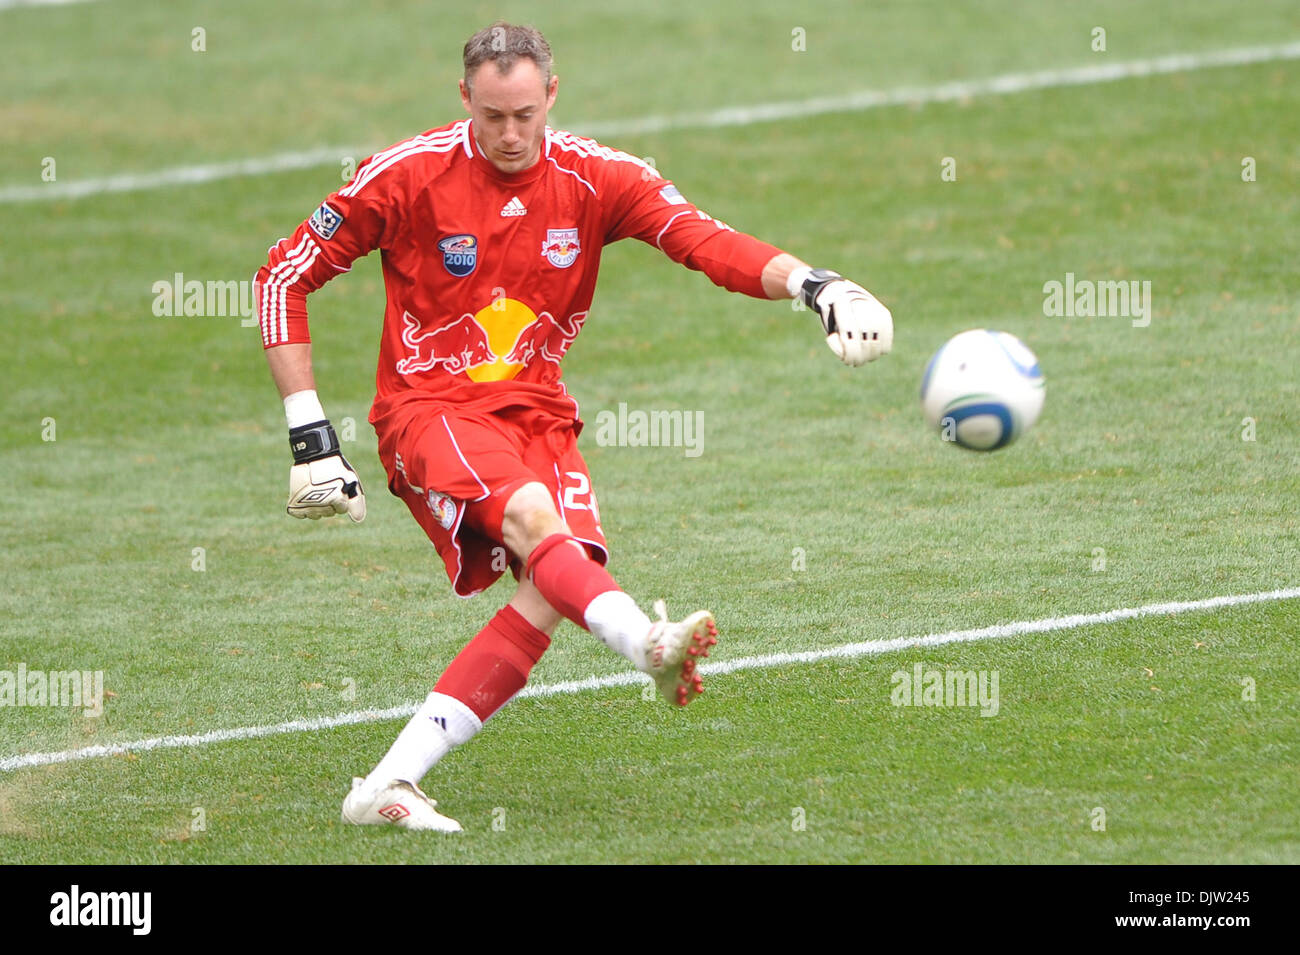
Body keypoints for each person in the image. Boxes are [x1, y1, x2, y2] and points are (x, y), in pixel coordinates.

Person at [254, 21, 893, 831]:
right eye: (493, 117)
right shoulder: (407, 176)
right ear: (465, 101)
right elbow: (282, 275)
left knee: (554, 583)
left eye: (526, 113)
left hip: (539, 415)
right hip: (431, 410)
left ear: (551, 95)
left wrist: (815, 285)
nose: (511, 134)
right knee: (534, 522)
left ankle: (388, 784)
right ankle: (648, 645)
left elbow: (702, 240)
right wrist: (309, 430)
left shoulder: (598, 178)